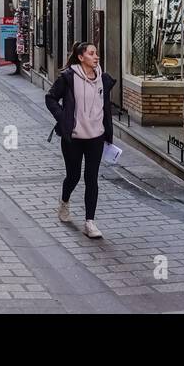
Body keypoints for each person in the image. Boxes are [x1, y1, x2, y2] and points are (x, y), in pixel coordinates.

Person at [45, 42, 114, 240]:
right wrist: (64, 117)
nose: (96, 56)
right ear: (81, 57)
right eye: (91, 53)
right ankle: (64, 201)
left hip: (96, 137)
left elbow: (105, 107)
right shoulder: (68, 78)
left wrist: (107, 132)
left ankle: (89, 222)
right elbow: (50, 98)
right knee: (73, 176)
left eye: (96, 53)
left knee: (92, 178)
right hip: (73, 137)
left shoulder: (104, 79)